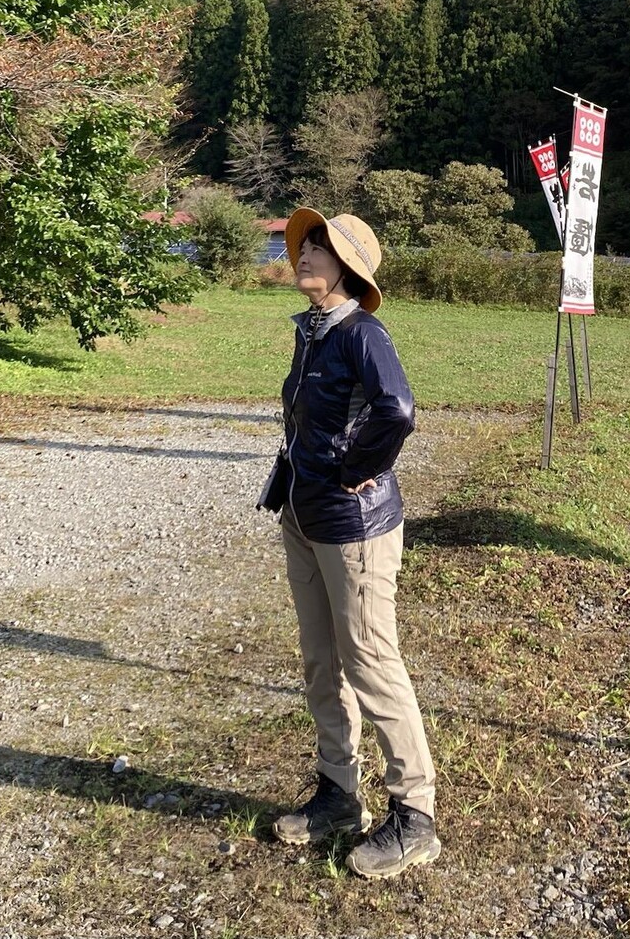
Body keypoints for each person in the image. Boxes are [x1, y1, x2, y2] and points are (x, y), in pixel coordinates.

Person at [270, 206, 440, 879]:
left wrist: (355, 468)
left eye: (319, 247)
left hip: (354, 527)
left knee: (370, 660)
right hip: (302, 515)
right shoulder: (312, 332)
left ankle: (415, 815)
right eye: (305, 244)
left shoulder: (361, 332)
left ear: (347, 268)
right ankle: (338, 795)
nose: (304, 254)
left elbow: (398, 410)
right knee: (321, 661)